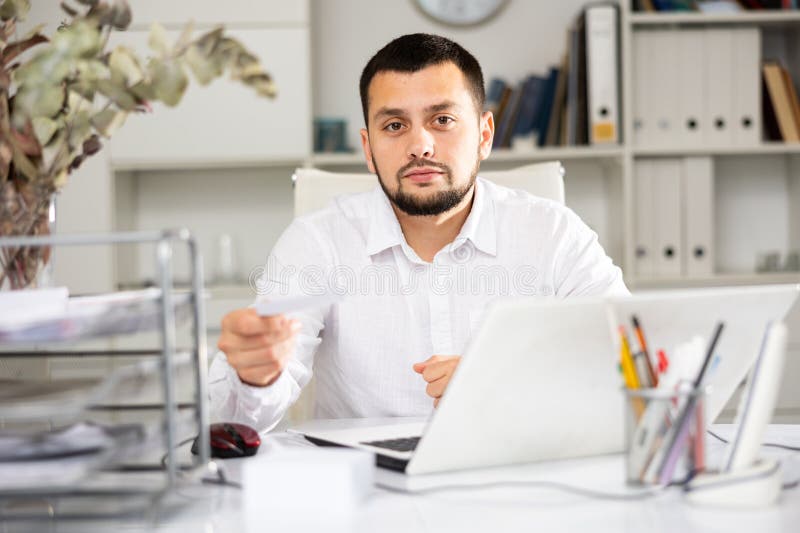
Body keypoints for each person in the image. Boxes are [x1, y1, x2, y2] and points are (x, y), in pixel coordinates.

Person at [209, 33, 628, 432]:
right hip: (367, 491)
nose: (420, 145)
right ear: (368, 148)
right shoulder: (317, 244)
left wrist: (508, 379)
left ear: (484, 135)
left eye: (442, 119)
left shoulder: (553, 234)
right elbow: (236, 424)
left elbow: (632, 362)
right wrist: (256, 378)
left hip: (516, 478)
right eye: (394, 126)